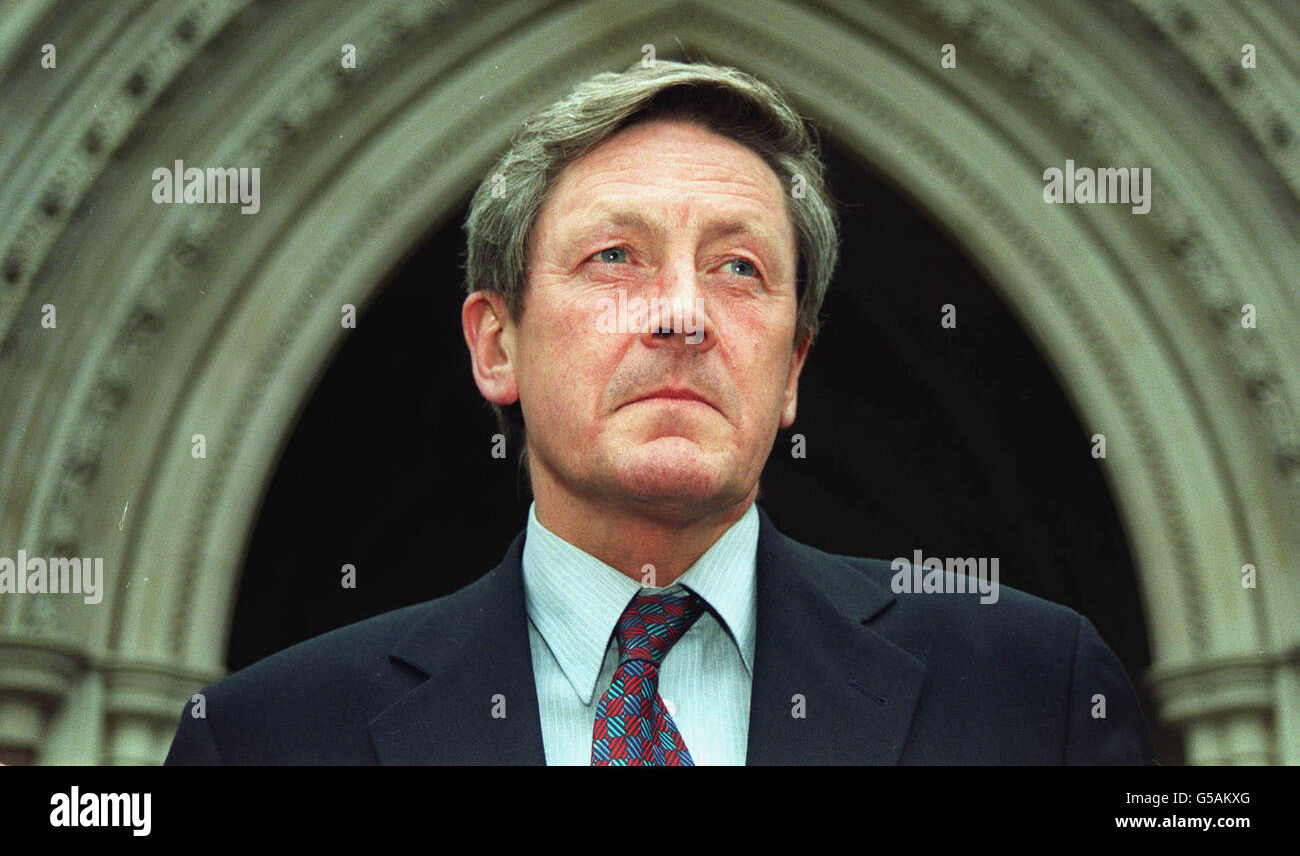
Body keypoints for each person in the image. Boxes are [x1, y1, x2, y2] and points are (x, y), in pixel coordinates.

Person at [165, 61, 1155, 765]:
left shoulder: (1035, 692)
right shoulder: (269, 737)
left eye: (738, 267)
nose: (681, 313)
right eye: (614, 257)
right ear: (496, 342)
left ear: (793, 370)